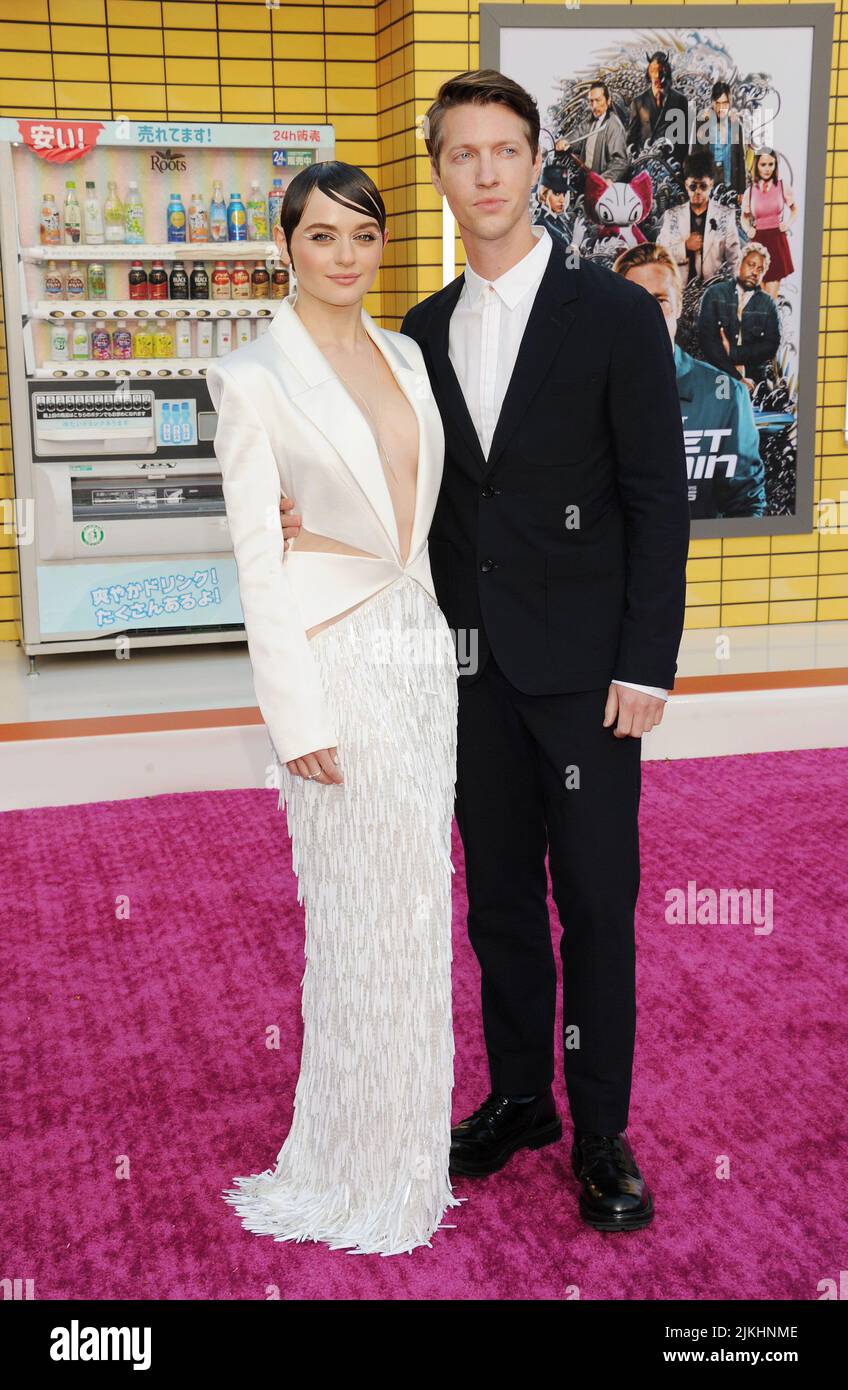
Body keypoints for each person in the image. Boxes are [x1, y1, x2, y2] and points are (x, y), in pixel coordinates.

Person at [282, 69, 691, 1233]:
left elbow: (654, 500)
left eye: (503, 151)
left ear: (534, 164)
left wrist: (644, 662)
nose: (484, 173)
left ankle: (600, 1126)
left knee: (596, 903)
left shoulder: (612, 315)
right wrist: (303, 519)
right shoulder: (416, 333)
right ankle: (521, 1096)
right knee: (498, 901)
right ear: (439, 171)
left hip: (586, 679)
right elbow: (403, 504)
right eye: (460, 154)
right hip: (463, 673)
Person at [207, 161, 463, 1255]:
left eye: (363, 234)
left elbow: (411, 516)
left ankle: (405, 1151)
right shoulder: (252, 374)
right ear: (287, 247)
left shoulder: (406, 352)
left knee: (414, 916)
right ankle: (351, 1164)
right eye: (321, 236)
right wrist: (293, 718)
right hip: (334, 669)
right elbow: (257, 561)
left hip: (417, 655)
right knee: (361, 918)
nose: (345, 255)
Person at [614, 241, 766, 518]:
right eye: (633, 300)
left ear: (679, 304)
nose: (647, 312)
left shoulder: (726, 397)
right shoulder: (584, 393)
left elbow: (746, 505)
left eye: (660, 300)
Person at [698, 243, 781, 391]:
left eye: (760, 269)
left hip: (755, 384)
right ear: (739, 264)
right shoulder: (714, 295)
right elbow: (708, 342)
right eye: (751, 265)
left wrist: (734, 353)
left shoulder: (768, 304)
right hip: (718, 378)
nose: (755, 272)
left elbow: (771, 346)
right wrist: (737, 378)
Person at [657, 149, 741, 287]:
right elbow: (660, 254)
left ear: (711, 185)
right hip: (679, 293)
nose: (697, 192)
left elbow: (735, 261)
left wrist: (733, 294)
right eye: (693, 186)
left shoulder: (725, 216)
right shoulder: (672, 216)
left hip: (713, 293)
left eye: (703, 186)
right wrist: (685, 247)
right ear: (685, 185)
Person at [740, 147, 798, 298]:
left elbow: (794, 210)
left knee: (770, 298)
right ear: (757, 165)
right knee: (758, 296)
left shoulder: (782, 186)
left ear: (775, 165)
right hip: (758, 243)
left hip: (776, 242)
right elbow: (744, 217)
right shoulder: (750, 192)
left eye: (771, 164)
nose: (767, 169)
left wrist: (787, 224)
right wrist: (748, 229)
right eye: (763, 164)